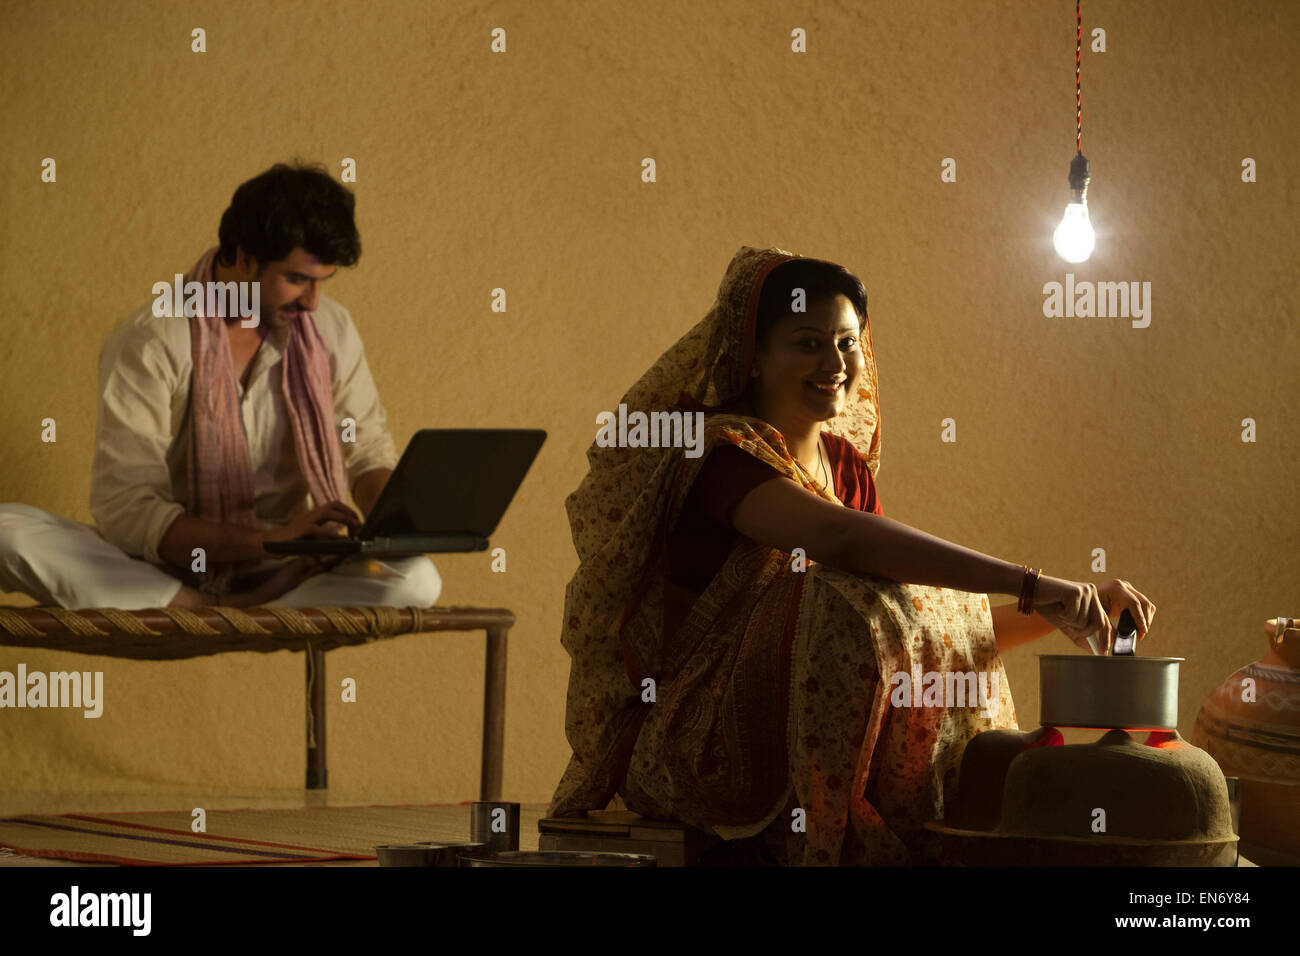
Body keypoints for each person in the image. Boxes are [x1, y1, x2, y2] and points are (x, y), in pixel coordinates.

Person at [548, 245, 1156, 865]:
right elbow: (842, 543)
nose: (834, 363)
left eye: (847, 343)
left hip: (815, 749)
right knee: (845, 588)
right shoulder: (720, 456)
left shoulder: (845, 467)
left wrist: (1064, 608)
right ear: (751, 357)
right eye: (808, 343)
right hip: (695, 750)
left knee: (898, 604)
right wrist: (1029, 583)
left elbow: (902, 636)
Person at [0, 162, 441, 611]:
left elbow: (366, 450)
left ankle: (243, 610)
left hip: (294, 570)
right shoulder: (153, 339)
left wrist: (398, 528)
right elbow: (129, 508)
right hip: (165, 569)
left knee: (416, 580)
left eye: (322, 282)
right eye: (297, 279)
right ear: (245, 258)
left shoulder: (331, 328)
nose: (312, 302)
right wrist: (267, 541)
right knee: (6, 531)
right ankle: (204, 607)